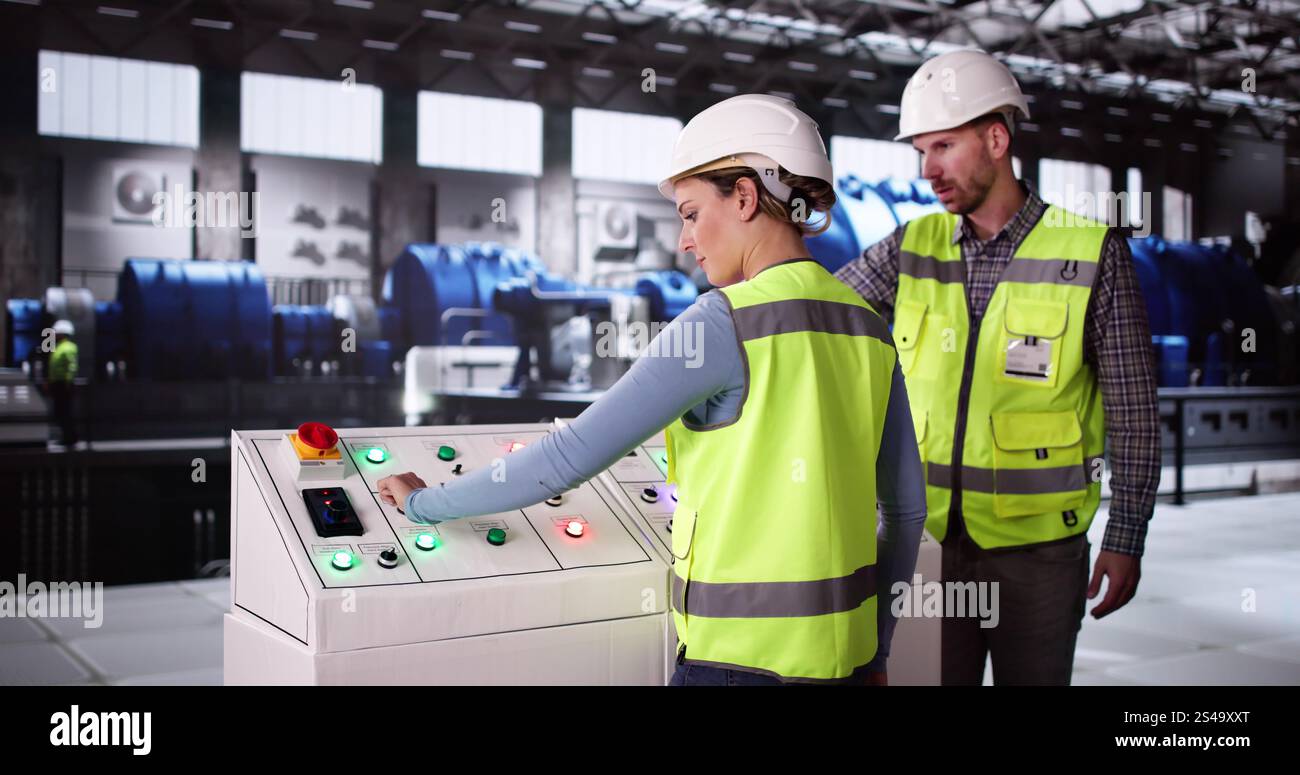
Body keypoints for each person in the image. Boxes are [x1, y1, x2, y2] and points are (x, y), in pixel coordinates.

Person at [379, 94, 927, 685]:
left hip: (737, 664)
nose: (683, 242)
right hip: (844, 663)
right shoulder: (867, 325)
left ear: (744, 196)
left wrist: (424, 502)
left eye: (691, 214)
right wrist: (878, 651)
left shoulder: (723, 323)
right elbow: (904, 510)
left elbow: (564, 460)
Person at [834, 50, 1161, 685]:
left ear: (995, 138)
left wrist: (1127, 536)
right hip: (924, 544)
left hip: (1038, 555)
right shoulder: (910, 247)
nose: (928, 169)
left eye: (944, 147)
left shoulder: (1092, 253)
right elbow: (821, 314)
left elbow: (1134, 409)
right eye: (920, 152)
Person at [47, 319, 79, 448]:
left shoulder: (69, 347)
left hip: (64, 384)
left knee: (65, 411)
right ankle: (66, 437)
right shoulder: (58, 347)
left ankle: (70, 438)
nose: (54, 334)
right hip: (57, 383)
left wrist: (68, 381)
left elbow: (71, 366)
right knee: (60, 411)